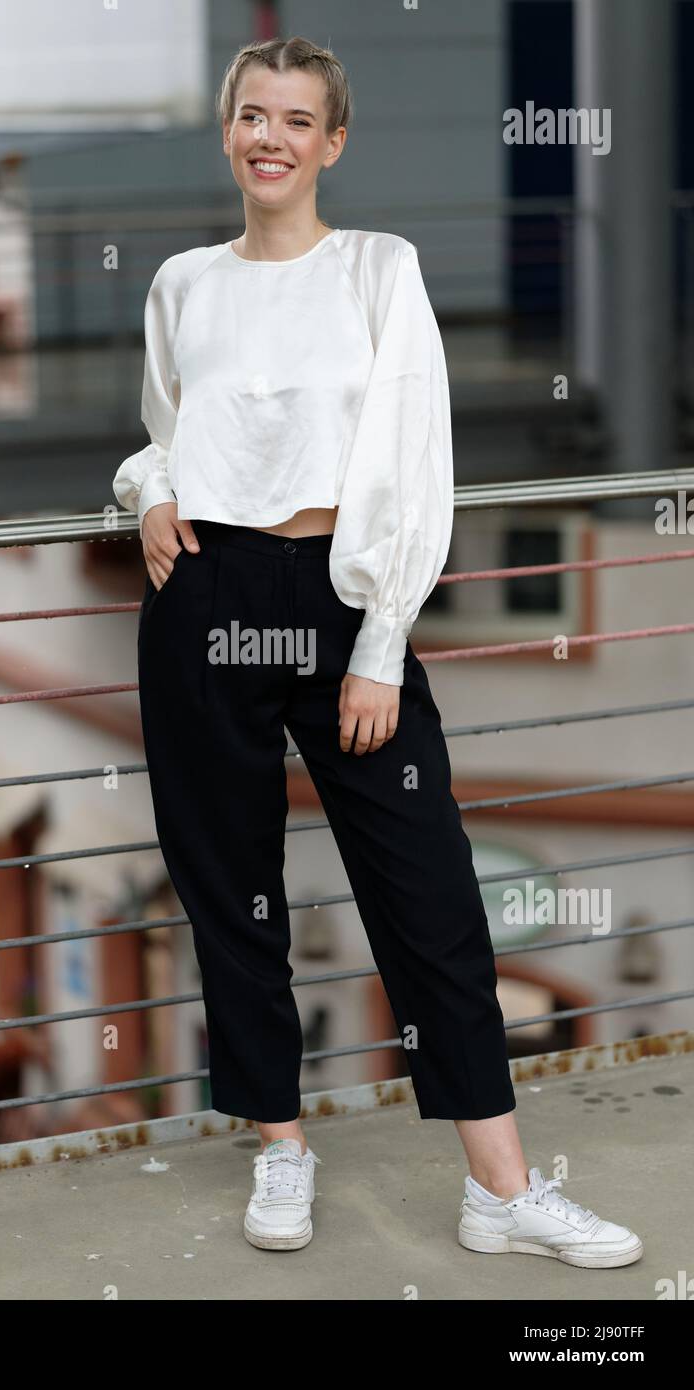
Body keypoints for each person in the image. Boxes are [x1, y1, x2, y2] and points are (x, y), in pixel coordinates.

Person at [112, 35, 642, 1266]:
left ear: (333, 142)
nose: (272, 139)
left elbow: (411, 458)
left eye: (298, 120)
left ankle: (500, 1188)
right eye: (252, 115)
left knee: (430, 891)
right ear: (227, 132)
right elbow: (163, 431)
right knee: (229, 888)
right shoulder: (184, 281)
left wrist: (383, 642)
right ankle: (282, 1148)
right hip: (203, 594)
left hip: (343, 600)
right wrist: (146, 493)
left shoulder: (376, 271)